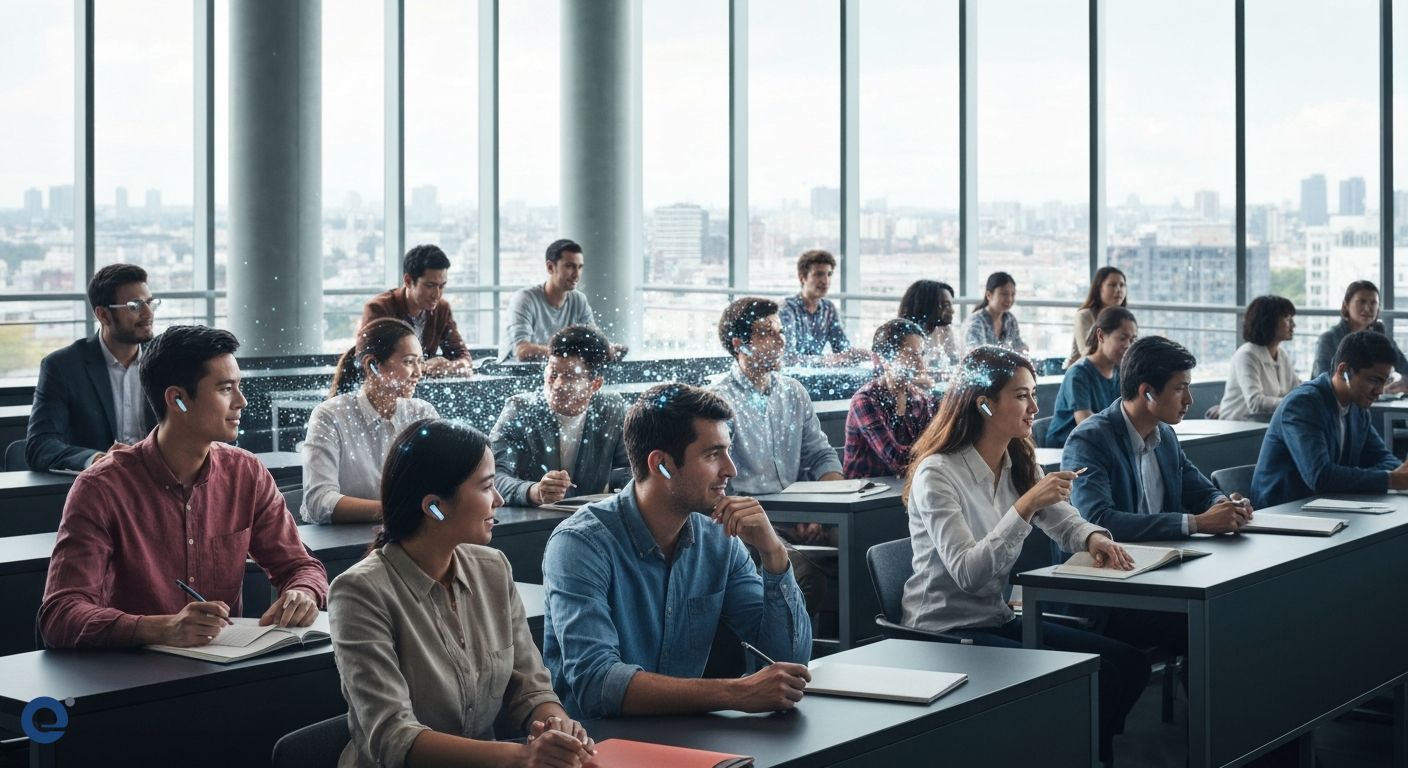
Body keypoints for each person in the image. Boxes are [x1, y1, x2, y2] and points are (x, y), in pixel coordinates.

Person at [901, 345, 1147, 766]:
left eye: (1033, 394)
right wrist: (1024, 507)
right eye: (1022, 396)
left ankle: (1083, 749)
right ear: (984, 403)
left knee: (1129, 664)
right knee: (1101, 676)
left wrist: (1093, 539)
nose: (1036, 406)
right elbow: (969, 574)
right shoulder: (936, 473)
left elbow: (1065, 520)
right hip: (944, 631)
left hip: (995, 619)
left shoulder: (1017, 459)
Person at [39, 325, 328, 649]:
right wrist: (162, 629)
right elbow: (59, 616)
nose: (242, 401)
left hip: (223, 674)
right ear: (178, 399)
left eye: (239, 387)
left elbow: (300, 566)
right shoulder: (100, 490)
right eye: (225, 389)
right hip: (128, 681)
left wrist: (303, 591)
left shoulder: (246, 473)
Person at [330, 419, 595, 768]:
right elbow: (394, 737)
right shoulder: (359, 592)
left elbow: (531, 688)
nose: (499, 499)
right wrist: (523, 757)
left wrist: (556, 730)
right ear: (434, 506)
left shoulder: (493, 568)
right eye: (486, 487)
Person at [541, 383, 812, 720]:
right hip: (599, 748)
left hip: (687, 740)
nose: (731, 469)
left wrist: (772, 554)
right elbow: (597, 685)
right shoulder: (580, 545)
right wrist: (735, 692)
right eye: (713, 454)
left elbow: (788, 662)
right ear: (662, 464)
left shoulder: (719, 540)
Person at [710, 297, 844, 611]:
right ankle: (788, 655)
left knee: (861, 552)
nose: (781, 340)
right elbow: (717, 482)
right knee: (806, 577)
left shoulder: (793, 391)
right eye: (768, 333)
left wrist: (822, 511)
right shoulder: (719, 400)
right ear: (740, 344)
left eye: (781, 331)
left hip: (804, 514)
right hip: (750, 520)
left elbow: (821, 455)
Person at [300, 318, 439, 524]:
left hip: (410, 536)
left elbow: (445, 480)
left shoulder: (421, 413)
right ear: (372, 365)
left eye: (420, 362)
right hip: (345, 545)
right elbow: (319, 502)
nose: (418, 373)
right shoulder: (330, 415)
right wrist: (398, 511)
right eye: (409, 362)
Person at [1251, 330, 1408, 508]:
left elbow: (1383, 458)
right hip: (1282, 513)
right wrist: (1390, 479)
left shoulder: (1357, 407)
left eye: (1384, 382)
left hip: (1327, 507)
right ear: (1343, 370)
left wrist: (1398, 474)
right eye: (1374, 380)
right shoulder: (1303, 404)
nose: (1380, 391)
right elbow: (1320, 476)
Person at [26, 263, 160, 471]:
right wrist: (100, 459)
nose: (148, 314)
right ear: (103, 315)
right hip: (99, 489)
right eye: (135, 305)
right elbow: (40, 446)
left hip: (162, 484)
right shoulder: (63, 367)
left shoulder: (166, 359)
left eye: (150, 303)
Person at [490, 325, 628, 507]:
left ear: (595, 384)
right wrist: (534, 491)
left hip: (591, 520)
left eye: (570, 377)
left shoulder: (612, 408)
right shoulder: (519, 409)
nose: (557, 385)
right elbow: (493, 477)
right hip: (531, 523)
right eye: (553, 373)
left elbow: (634, 469)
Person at [501, 239, 626, 363]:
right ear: (550, 267)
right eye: (570, 266)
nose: (576, 274)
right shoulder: (524, 299)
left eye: (580, 267)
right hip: (511, 374)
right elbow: (522, 351)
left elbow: (592, 340)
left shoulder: (579, 300)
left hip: (552, 373)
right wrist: (570, 353)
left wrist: (606, 350)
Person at [843, 319, 938, 479]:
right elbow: (898, 461)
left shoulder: (921, 399)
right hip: (863, 495)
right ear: (883, 359)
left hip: (904, 488)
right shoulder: (865, 400)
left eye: (921, 354)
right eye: (911, 355)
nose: (921, 364)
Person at [361, 244, 473, 377]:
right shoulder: (379, 309)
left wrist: (450, 366)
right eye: (430, 286)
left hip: (420, 387)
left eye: (442, 286)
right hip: (387, 392)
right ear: (408, 281)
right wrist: (423, 367)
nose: (437, 294)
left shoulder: (441, 309)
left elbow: (464, 357)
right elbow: (367, 364)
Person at [1045, 307, 1137, 447]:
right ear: (1100, 335)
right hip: (1068, 447)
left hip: (1101, 445)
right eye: (1122, 338)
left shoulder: (1120, 372)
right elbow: (1085, 423)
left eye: (1132, 339)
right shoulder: (1079, 373)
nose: (1128, 346)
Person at [777, 249, 872, 366]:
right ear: (802, 278)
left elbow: (842, 349)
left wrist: (866, 355)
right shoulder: (787, 309)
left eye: (829, 274)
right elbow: (787, 358)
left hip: (818, 375)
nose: (826, 281)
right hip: (792, 377)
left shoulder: (828, 309)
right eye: (818, 274)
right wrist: (828, 360)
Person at [1311, 280, 1408, 392]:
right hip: (1333, 405)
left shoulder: (1381, 338)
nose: (1367, 308)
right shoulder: (1328, 339)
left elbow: (1405, 368)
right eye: (1361, 302)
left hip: (1373, 402)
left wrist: (1403, 384)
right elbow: (1324, 382)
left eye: (1373, 303)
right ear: (1346, 305)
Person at [1218, 295, 1300, 422]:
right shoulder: (1247, 354)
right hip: (1237, 428)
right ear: (1270, 321)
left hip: (1264, 425)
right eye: (1288, 320)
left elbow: (1296, 389)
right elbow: (1255, 403)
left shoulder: (1282, 354)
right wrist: (1295, 402)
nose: (1293, 325)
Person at [897, 279, 960, 380]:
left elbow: (954, 363)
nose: (952, 311)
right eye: (946, 305)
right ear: (927, 306)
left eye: (951, 304)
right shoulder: (907, 338)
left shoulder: (944, 330)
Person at [1066, 266, 1127, 368]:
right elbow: (1087, 353)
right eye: (1112, 285)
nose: (1118, 290)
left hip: (1113, 373)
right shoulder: (1084, 316)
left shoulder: (1125, 319)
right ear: (1099, 288)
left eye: (1122, 285)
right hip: (1084, 374)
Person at [963, 272, 1028, 353]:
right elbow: (977, 356)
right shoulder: (976, 322)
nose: (1009, 299)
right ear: (989, 295)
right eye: (1004, 294)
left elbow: (1019, 347)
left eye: (1013, 294)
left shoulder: (1010, 320)